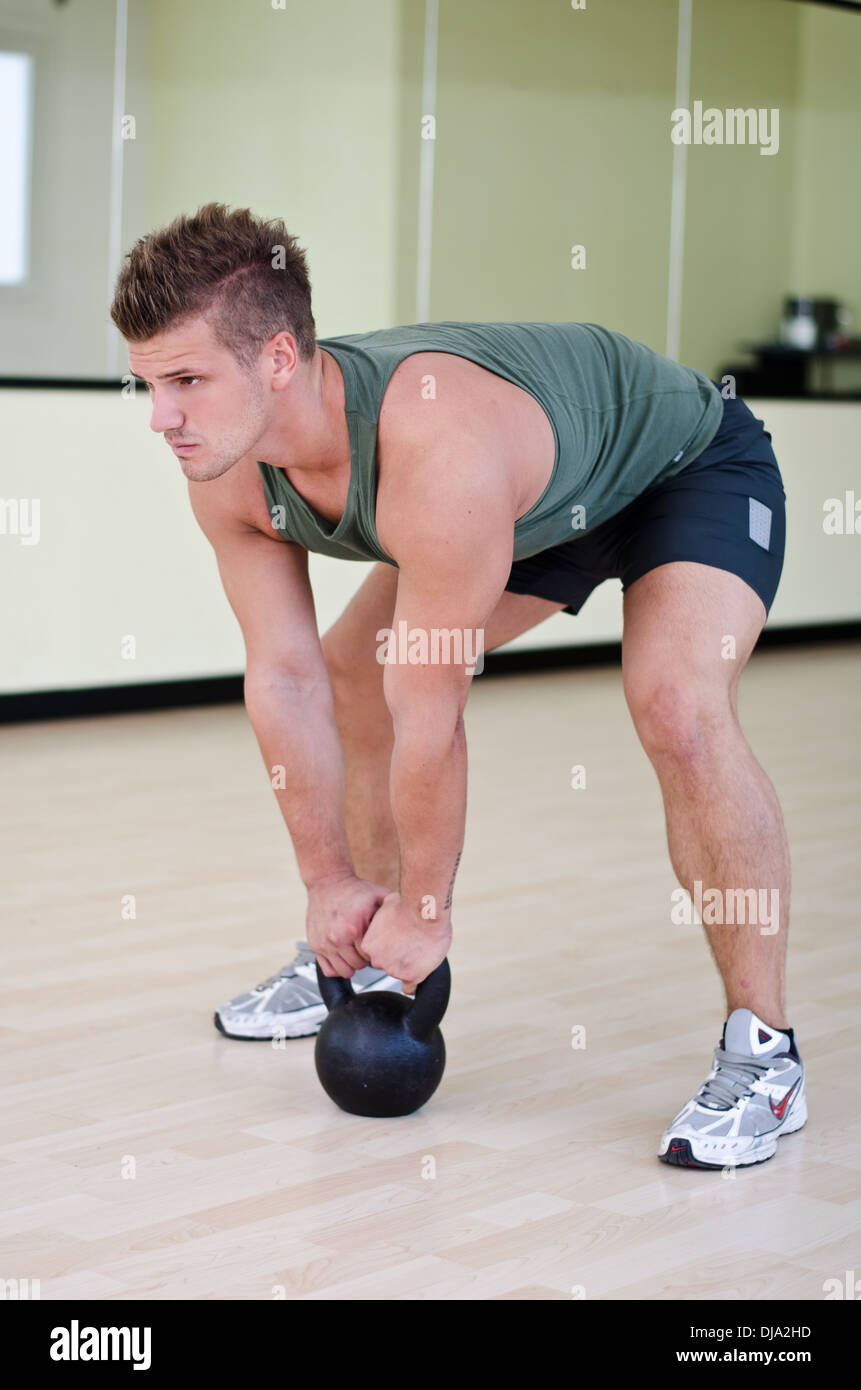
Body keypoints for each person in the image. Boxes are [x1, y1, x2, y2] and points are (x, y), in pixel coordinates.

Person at [110, 202, 805, 1169]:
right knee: (353, 667)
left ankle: (762, 1056)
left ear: (277, 357)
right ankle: (345, 955)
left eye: (186, 381)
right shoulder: (224, 464)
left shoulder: (437, 455)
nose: (162, 418)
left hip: (680, 468)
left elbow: (429, 714)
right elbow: (287, 676)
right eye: (145, 384)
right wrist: (329, 887)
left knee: (677, 706)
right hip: (536, 503)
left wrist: (429, 910)